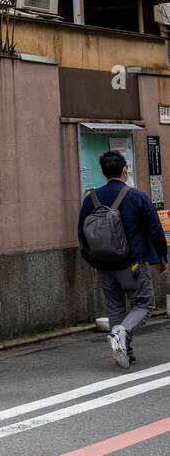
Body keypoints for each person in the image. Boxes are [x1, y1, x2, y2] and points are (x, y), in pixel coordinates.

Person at [77, 150, 166, 369]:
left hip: (104, 265)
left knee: (115, 307)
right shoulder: (137, 197)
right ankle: (122, 334)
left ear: (103, 172)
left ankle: (125, 351)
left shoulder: (91, 199)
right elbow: (154, 230)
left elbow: (82, 233)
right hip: (131, 264)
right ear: (125, 169)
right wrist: (161, 257)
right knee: (144, 303)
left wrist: (93, 260)